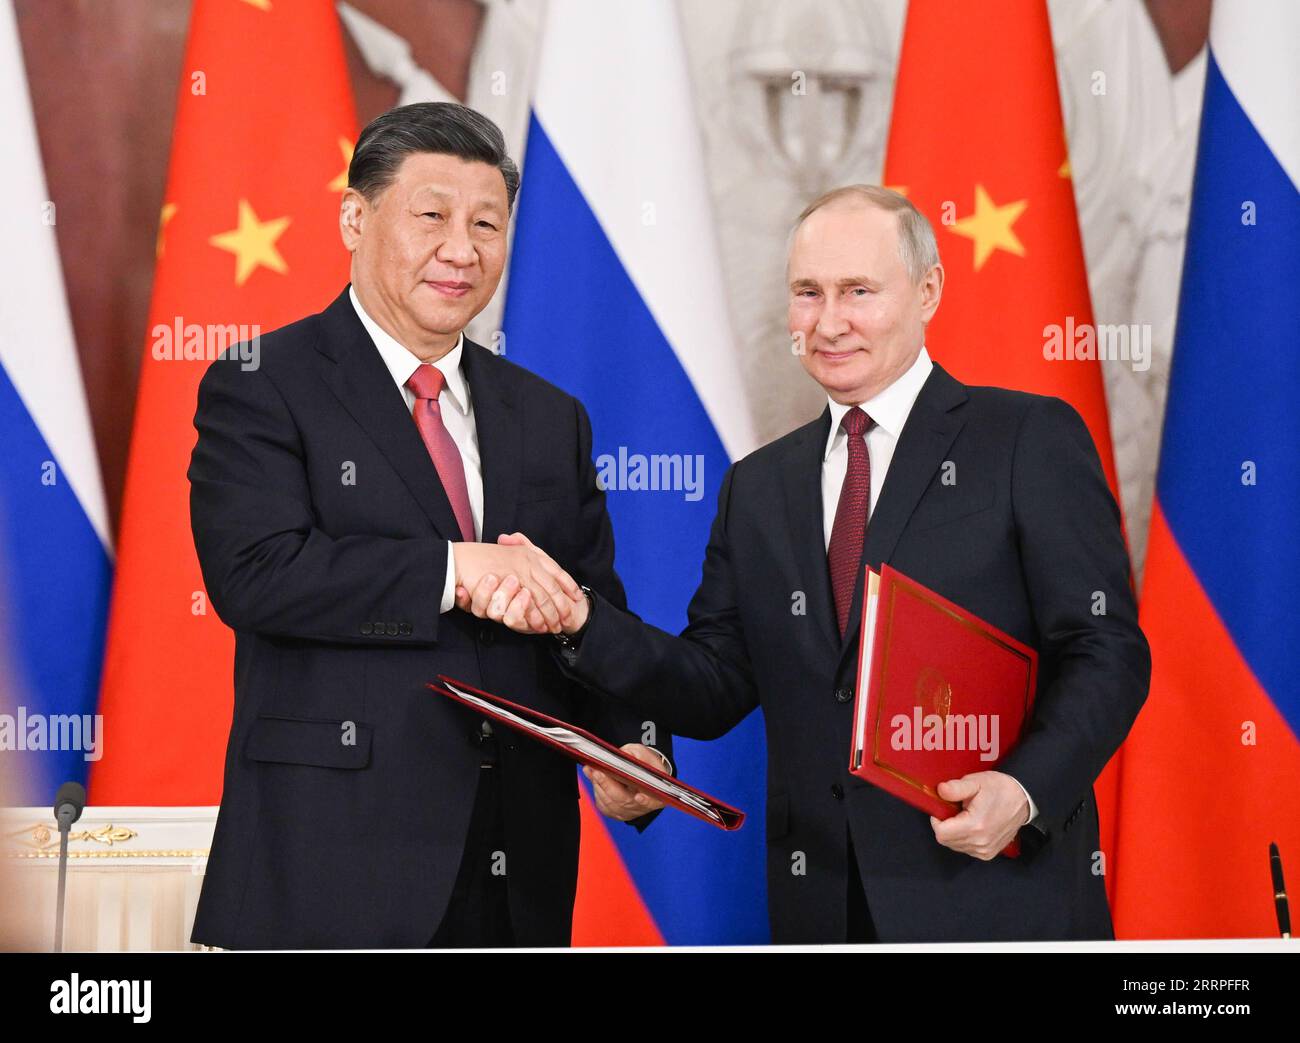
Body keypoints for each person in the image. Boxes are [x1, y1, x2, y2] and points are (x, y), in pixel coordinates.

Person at [462, 186, 1151, 943]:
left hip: (996, 899)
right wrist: (582, 619)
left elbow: (1107, 649)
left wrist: (1024, 789)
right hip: (818, 910)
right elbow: (714, 683)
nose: (829, 322)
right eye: (807, 293)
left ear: (928, 291)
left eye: (859, 291)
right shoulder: (758, 486)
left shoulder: (1027, 437)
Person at [187, 102, 670, 950]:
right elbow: (256, 573)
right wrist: (455, 570)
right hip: (330, 865)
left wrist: (630, 745)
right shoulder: (263, 382)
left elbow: (589, 609)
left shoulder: (549, 416)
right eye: (433, 216)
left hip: (516, 867)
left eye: (487, 223)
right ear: (354, 217)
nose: (462, 249)